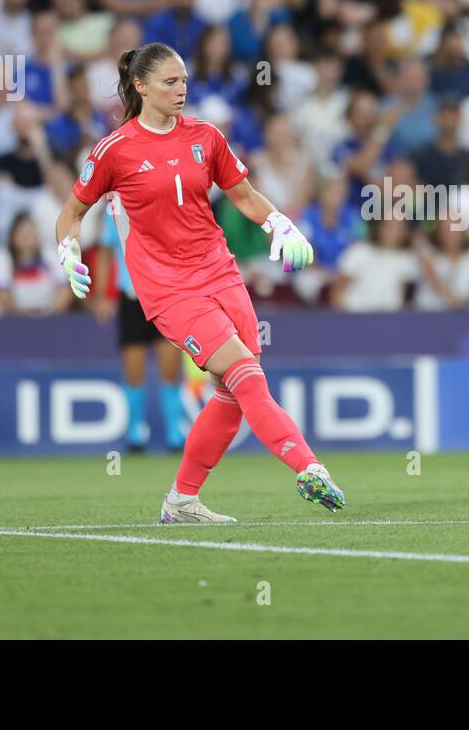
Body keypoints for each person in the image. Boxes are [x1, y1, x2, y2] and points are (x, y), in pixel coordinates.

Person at [54, 42, 344, 523]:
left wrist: (281, 225)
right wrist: (68, 250)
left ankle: (181, 501)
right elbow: (72, 214)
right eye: (170, 82)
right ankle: (308, 467)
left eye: (184, 80)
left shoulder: (206, 137)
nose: (181, 89)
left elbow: (245, 196)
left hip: (220, 271)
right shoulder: (114, 150)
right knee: (245, 374)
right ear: (141, 86)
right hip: (167, 287)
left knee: (233, 389)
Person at [95, 191, 191, 451]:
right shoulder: (115, 210)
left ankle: (175, 432)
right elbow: (105, 254)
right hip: (131, 299)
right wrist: (103, 295)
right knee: (134, 372)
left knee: (170, 369)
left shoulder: (163, 204)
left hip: (164, 296)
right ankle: (135, 433)